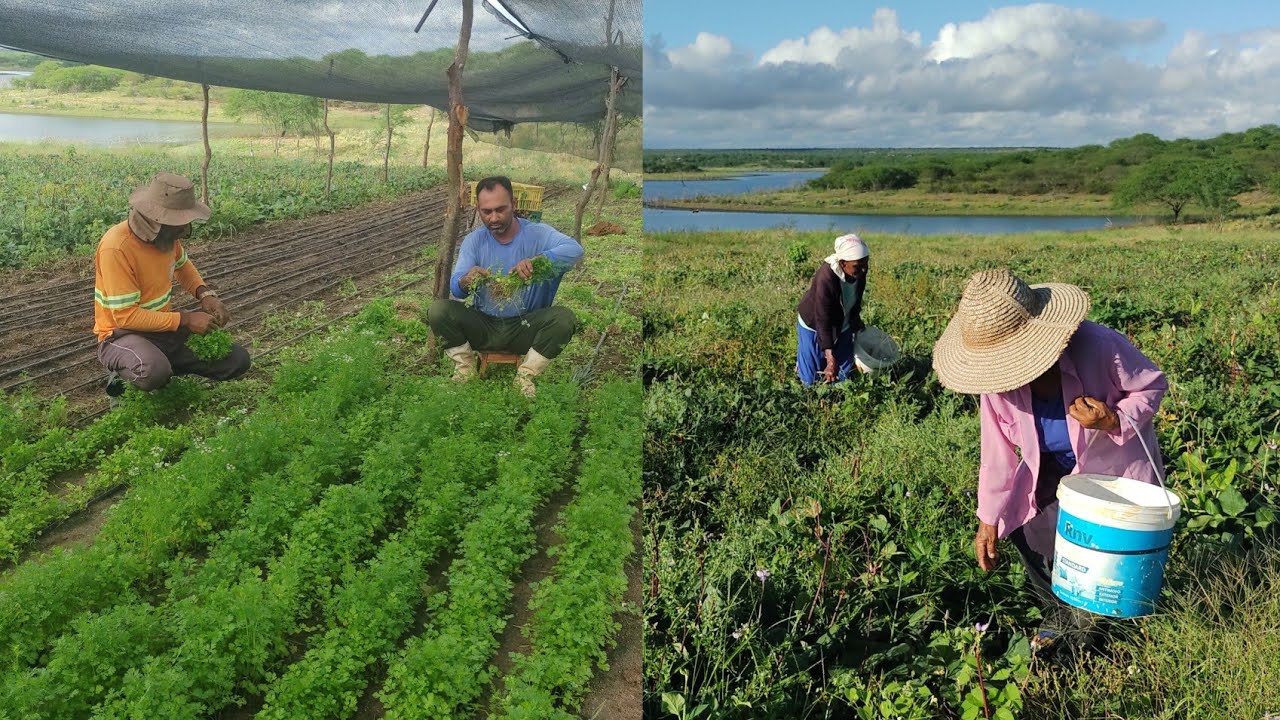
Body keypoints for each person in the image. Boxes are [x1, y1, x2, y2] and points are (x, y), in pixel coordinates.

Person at [932, 268, 1168, 657]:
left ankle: (1097, 635)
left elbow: (1153, 385)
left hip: (1110, 473)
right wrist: (987, 520)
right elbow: (997, 453)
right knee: (1028, 532)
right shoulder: (996, 383)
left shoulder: (1099, 346)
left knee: (1101, 558)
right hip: (1050, 468)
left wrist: (1113, 419)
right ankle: (1060, 614)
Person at [94, 172, 250, 395]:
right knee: (152, 370)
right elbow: (126, 317)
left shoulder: (165, 239)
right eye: (179, 222)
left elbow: (183, 266)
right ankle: (128, 372)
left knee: (237, 360)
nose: (183, 228)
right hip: (121, 334)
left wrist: (205, 294)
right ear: (158, 219)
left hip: (162, 328)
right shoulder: (116, 248)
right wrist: (186, 319)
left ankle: (163, 364)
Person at [428, 175, 583, 398]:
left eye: (500, 209)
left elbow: (575, 250)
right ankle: (465, 369)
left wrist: (538, 261)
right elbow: (456, 287)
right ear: (478, 210)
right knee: (439, 311)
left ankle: (526, 377)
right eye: (486, 212)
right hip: (485, 325)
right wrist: (465, 280)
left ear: (514, 205)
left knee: (564, 319)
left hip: (525, 325)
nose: (493, 218)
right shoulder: (475, 240)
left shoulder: (537, 233)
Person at [796, 234, 868, 384]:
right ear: (842, 263)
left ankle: (835, 399)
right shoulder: (826, 277)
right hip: (814, 324)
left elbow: (857, 298)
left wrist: (855, 319)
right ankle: (804, 368)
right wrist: (830, 359)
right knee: (810, 380)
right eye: (857, 266)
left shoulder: (860, 271)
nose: (863, 269)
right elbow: (822, 319)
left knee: (842, 377)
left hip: (843, 322)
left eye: (865, 263)